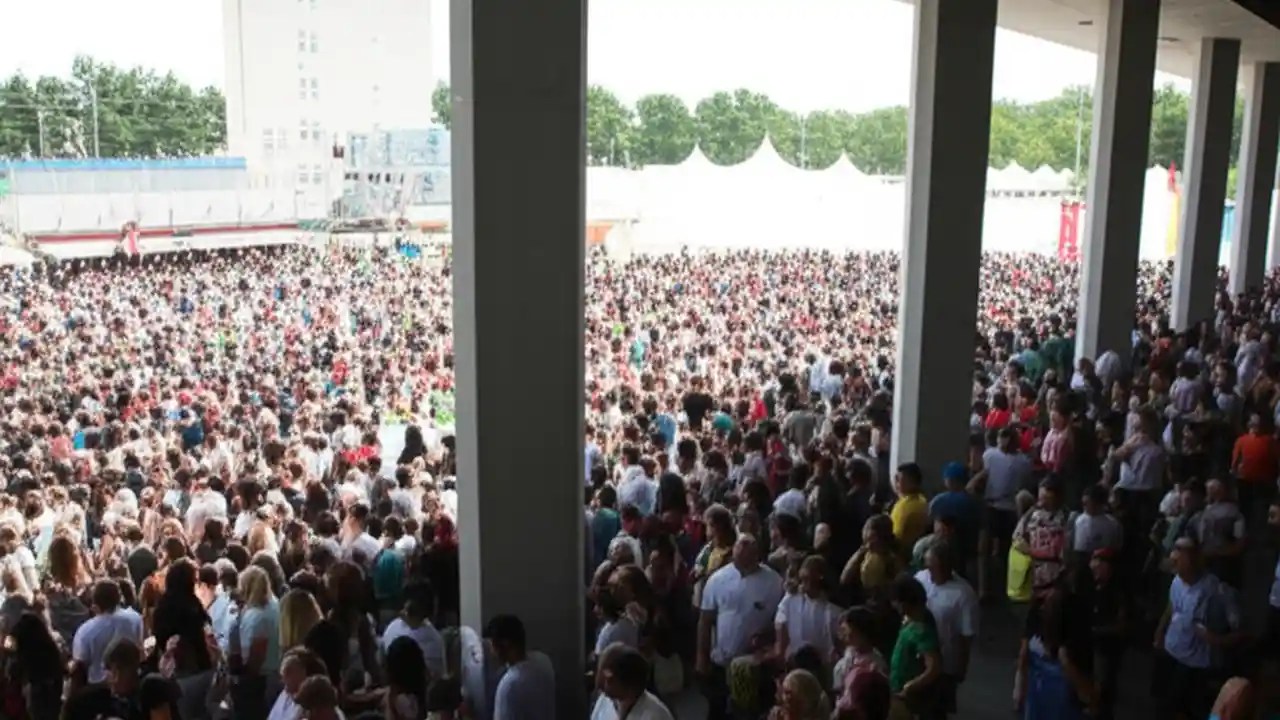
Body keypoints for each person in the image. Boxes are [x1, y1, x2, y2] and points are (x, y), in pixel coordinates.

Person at [1154, 537, 1243, 720]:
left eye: (1181, 556)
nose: (1175, 561)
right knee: (1165, 703)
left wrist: (1217, 640)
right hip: (1171, 653)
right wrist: (1160, 631)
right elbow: (1172, 607)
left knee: (1188, 708)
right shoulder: (1177, 581)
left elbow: (1241, 632)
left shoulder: (1217, 591)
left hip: (1195, 664)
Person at [698, 534, 785, 720]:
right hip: (721, 662)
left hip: (755, 665)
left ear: (757, 556)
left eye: (748, 555)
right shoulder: (717, 579)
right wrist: (701, 657)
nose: (742, 559)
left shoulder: (774, 581)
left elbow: (782, 620)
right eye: (739, 554)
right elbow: (705, 620)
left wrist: (767, 636)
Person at [914, 543, 978, 716]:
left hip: (944, 664)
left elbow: (966, 636)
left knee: (935, 711)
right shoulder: (921, 578)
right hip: (915, 656)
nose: (928, 571)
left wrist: (961, 667)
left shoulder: (964, 594)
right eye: (926, 565)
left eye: (932, 567)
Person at [70, 579, 145, 694]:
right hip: (133, 682)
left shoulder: (85, 631)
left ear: (95, 604)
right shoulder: (135, 618)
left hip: (98, 690)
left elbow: (80, 666)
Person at [888, 575, 941, 719]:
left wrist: (910, 687)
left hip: (911, 700)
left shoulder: (921, 630)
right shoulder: (909, 621)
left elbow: (933, 668)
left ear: (904, 603)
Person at [486, 614, 556, 720]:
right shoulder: (543, 661)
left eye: (492, 646)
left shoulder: (509, 685)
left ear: (505, 644)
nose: (491, 652)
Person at [591, 642, 674, 720]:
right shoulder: (605, 700)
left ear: (630, 688)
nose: (600, 685)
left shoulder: (656, 716)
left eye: (608, 680)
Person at [890, 463, 930, 553]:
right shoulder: (921, 500)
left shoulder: (907, 506)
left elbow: (896, 537)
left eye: (898, 479)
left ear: (911, 482)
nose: (895, 482)